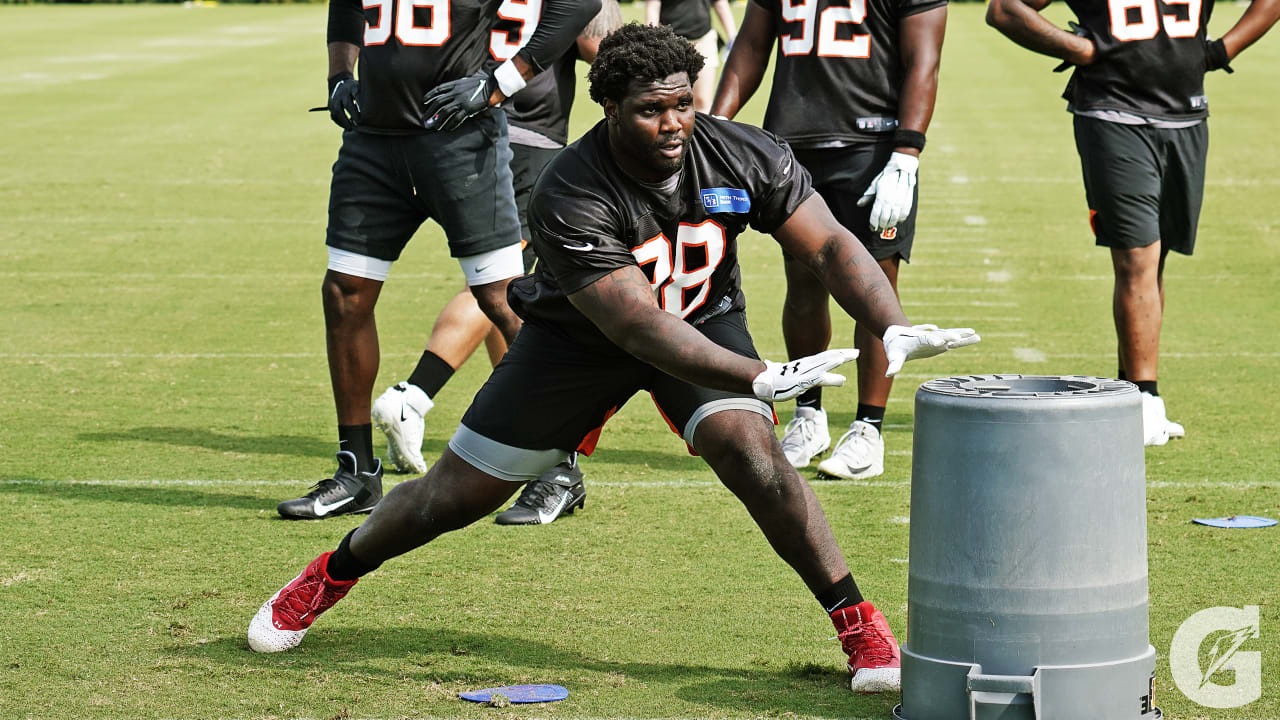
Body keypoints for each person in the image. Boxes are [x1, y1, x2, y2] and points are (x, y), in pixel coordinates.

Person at [247, 24, 978, 694]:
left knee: (753, 452)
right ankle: (329, 575)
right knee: (452, 499)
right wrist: (756, 375)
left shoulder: (742, 149)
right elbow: (634, 325)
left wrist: (891, 324)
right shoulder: (570, 188)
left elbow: (826, 244)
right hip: (578, 345)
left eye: (684, 104)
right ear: (608, 108)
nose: (674, 124)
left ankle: (859, 628)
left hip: (704, 320)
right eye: (651, 111)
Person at [275, 0, 602, 520]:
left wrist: (502, 82)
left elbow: (578, 4)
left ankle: (558, 466)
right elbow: (346, 5)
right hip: (374, 140)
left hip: (460, 139)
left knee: (504, 298)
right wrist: (340, 74)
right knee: (344, 293)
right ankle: (356, 471)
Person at [370, 0, 624, 527]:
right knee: (506, 287)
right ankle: (414, 396)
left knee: (505, 285)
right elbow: (599, 46)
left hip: (463, 130)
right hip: (524, 136)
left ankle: (521, 435)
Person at [986, 0, 1280, 446]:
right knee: (1138, 257)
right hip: (1113, 113)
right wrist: (1076, 48)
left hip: (1185, 115)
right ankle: (1145, 398)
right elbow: (1006, 9)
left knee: (1155, 259)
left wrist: (1222, 51)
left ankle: (1130, 396)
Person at [710, 0, 947, 478]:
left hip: (873, 146)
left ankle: (868, 429)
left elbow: (924, 57)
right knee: (802, 286)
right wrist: (714, 127)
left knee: (874, 287)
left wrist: (907, 151)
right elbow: (752, 45)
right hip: (794, 145)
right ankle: (809, 415)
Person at [646, 0, 738, 111]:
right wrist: (652, 41)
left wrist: (733, 38)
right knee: (673, 100)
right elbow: (653, 8)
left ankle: (701, 128)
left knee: (702, 100)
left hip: (703, 40)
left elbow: (720, 4)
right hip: (671, 44)